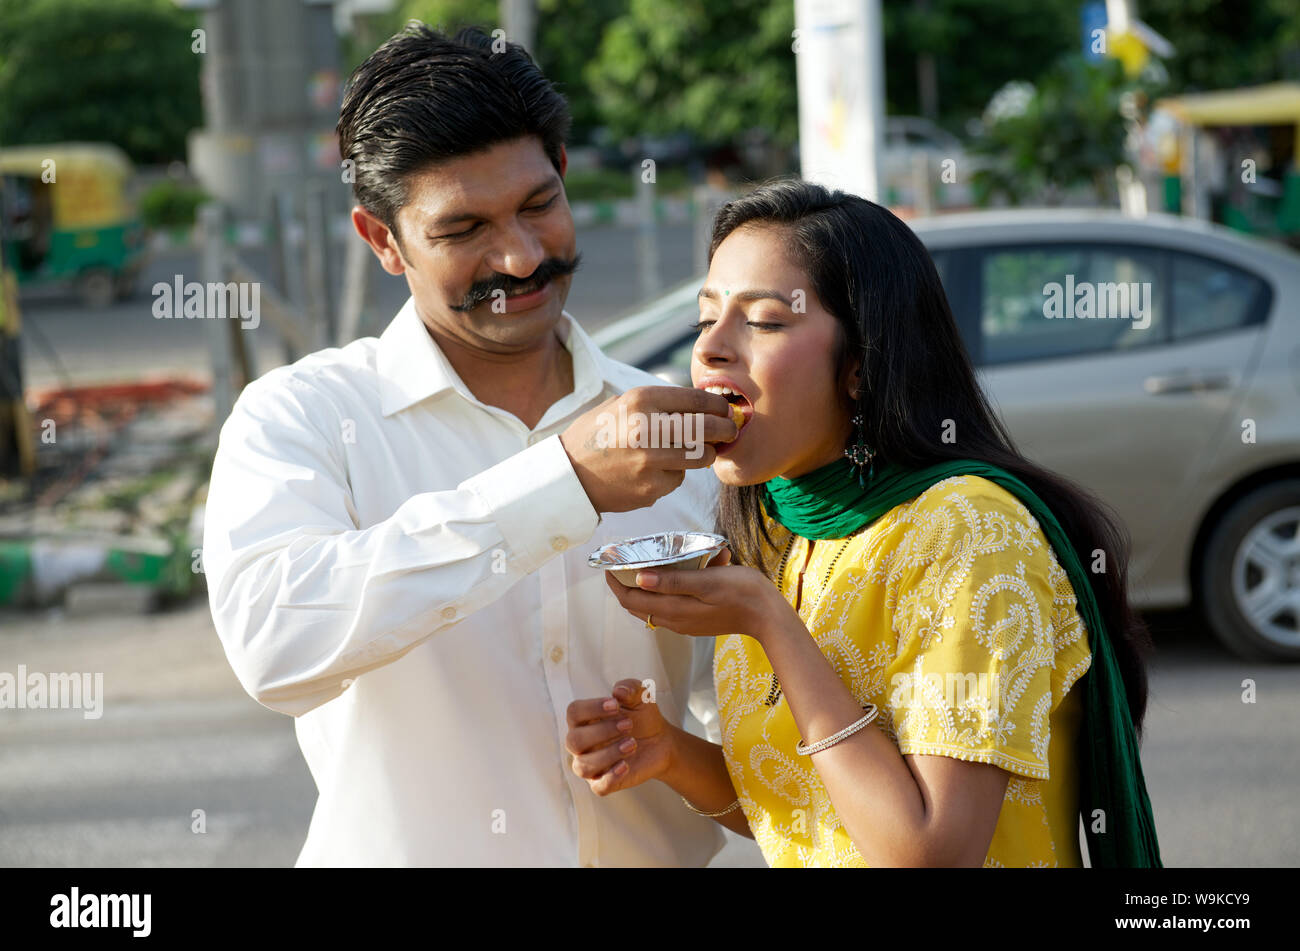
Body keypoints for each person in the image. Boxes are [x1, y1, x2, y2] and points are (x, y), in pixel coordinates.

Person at [201, 23, 740, 866]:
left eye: (537, 206)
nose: (521, 256)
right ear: (382, 240)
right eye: (463, 230)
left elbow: (765, 745)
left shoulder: (677, 432)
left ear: (564, 174)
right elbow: (277, 647)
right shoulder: (302, 417)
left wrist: (671, 750)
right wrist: (563, 484)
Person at [565, 179, 1162, 867]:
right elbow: (810, 814)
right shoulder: (780, 533)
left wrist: (771, 625)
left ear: (859, 366)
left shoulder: (967, 529)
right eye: (706, 320)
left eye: (761, 320)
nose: (712, 350)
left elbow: (928, 849)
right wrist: (668, 752)